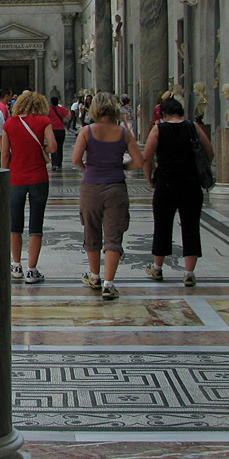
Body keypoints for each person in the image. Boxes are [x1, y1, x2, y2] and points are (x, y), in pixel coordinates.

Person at [72, 91, 145, 301]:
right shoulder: (123, 133)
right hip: (116, 187)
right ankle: (109, 284)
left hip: (91, 187)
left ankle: (95, 276)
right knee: (113, 236)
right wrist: (121, 167)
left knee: (91, 230)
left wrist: (89, 169)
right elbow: (139, 161)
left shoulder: (86, 131)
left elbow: (76, 159)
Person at [142, 95, 214, 287]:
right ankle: (189, 273)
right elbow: (209, 151)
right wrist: (199, 169)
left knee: (162, 225)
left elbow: (147, 158)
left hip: (166, 183)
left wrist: (150, 179)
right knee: (191, 227)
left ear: (164, 114)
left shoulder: (159, 129)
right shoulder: (192, 127)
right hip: (191, 184)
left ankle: (157, 268)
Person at [3, 92, 57, 283]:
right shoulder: (44, 122)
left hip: (16, 178)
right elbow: (53, 147)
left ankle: (16, 265)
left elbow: (5, 154)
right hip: (38, 178)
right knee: (36, 224)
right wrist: (44, 149)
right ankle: (32, 270)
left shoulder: (9, 124)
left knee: (15, 225)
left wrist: (4, 175)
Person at [47, 95, 69, 170]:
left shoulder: (49, 110)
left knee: (53, 146)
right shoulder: (62, 109)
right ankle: (59, 163)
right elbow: (69, 117)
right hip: (61, 130)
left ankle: (54, 163)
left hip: (52, 130)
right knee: (60, 146)